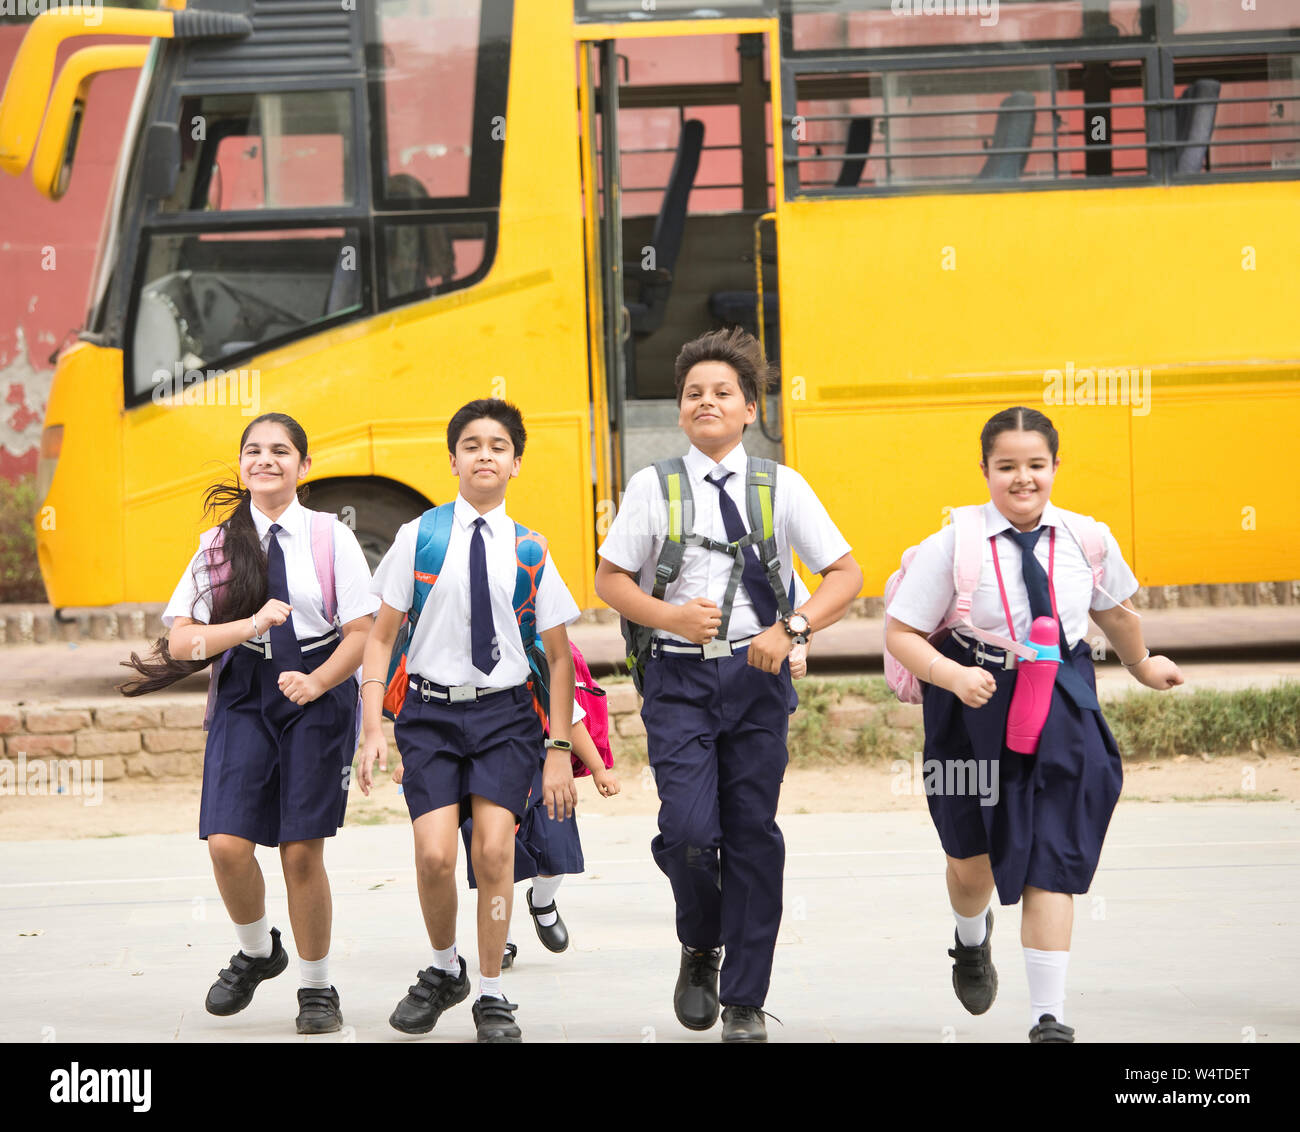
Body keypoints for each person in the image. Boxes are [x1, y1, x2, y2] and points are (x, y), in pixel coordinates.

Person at [595, 328, 862, 1042]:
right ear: (681, 413)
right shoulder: (654, 487)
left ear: (749, 409)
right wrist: (671, 617)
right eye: (693, 394)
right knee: (687, 833)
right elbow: (609, 580)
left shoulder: (783, 486)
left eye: (722, 393)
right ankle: (699, 944)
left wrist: (794, 629)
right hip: (678, 682)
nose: (706, 402)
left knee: (752, 836)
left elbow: (846, 576)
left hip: (757, 677)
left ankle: (745, 998)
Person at [885, 405, 1184, 1043]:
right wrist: (952, 677)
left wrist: (1142, 664)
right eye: (1007, 466)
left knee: (1053, 853)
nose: (1023, 479)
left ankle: (1048, 1018)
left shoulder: (1086, 537)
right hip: (969, 705)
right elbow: (902, 633)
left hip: (1061, 705)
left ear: (1054, 466)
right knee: (973, 865)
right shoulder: (953, 546)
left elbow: (1117, 613)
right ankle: (971, 939)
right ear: (986, 469)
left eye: (1036, 465)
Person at [119, 412, 378, 1034]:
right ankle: (259, 952)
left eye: (281, 451)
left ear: (303, 467)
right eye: (254, 451)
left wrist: (318, 683)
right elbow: (182, 642)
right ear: (241, 465)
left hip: (318, 692)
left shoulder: (330, 536)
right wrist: (249, 626)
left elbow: (363, 631)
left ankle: (317, 988)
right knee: (229, 845)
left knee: (299, 851)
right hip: (243, 691)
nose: (266, 460)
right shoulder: (217, 546)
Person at [357, 398, 579, 1044]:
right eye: (473, 445)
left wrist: (559, 747)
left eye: (499, 446)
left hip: (506, 717)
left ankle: (492, 992)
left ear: (516, 465)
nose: (486, 454)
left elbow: (560, 658)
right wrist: (374, 725)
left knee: (493, 850)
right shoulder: (418, 536)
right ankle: (442, 967)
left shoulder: (531, 549)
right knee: (431, 855)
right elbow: (380, 638)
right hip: (428, 714)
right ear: (452, 459)